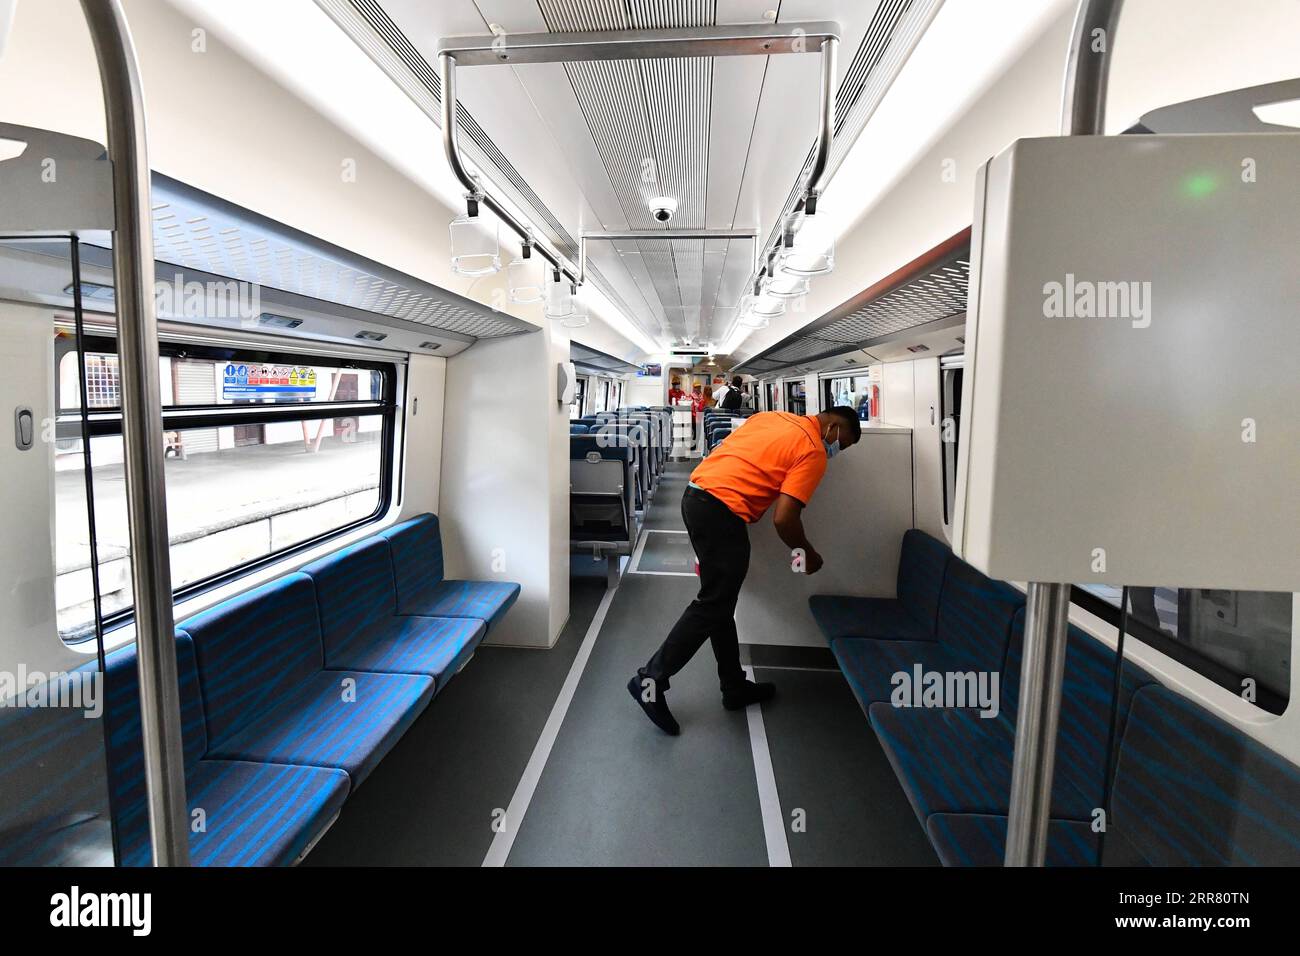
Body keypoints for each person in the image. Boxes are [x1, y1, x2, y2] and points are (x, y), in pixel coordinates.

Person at [628, 406, 862, 734]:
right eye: (843, 443)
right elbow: (785, 518)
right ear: (834, 426)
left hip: (695, 497)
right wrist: (805, 554)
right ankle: (649, 680)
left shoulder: (772, 417)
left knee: (719, 604)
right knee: (713, 604)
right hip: (722, 514)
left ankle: (734, 686)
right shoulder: (812, 449)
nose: (837, 450)